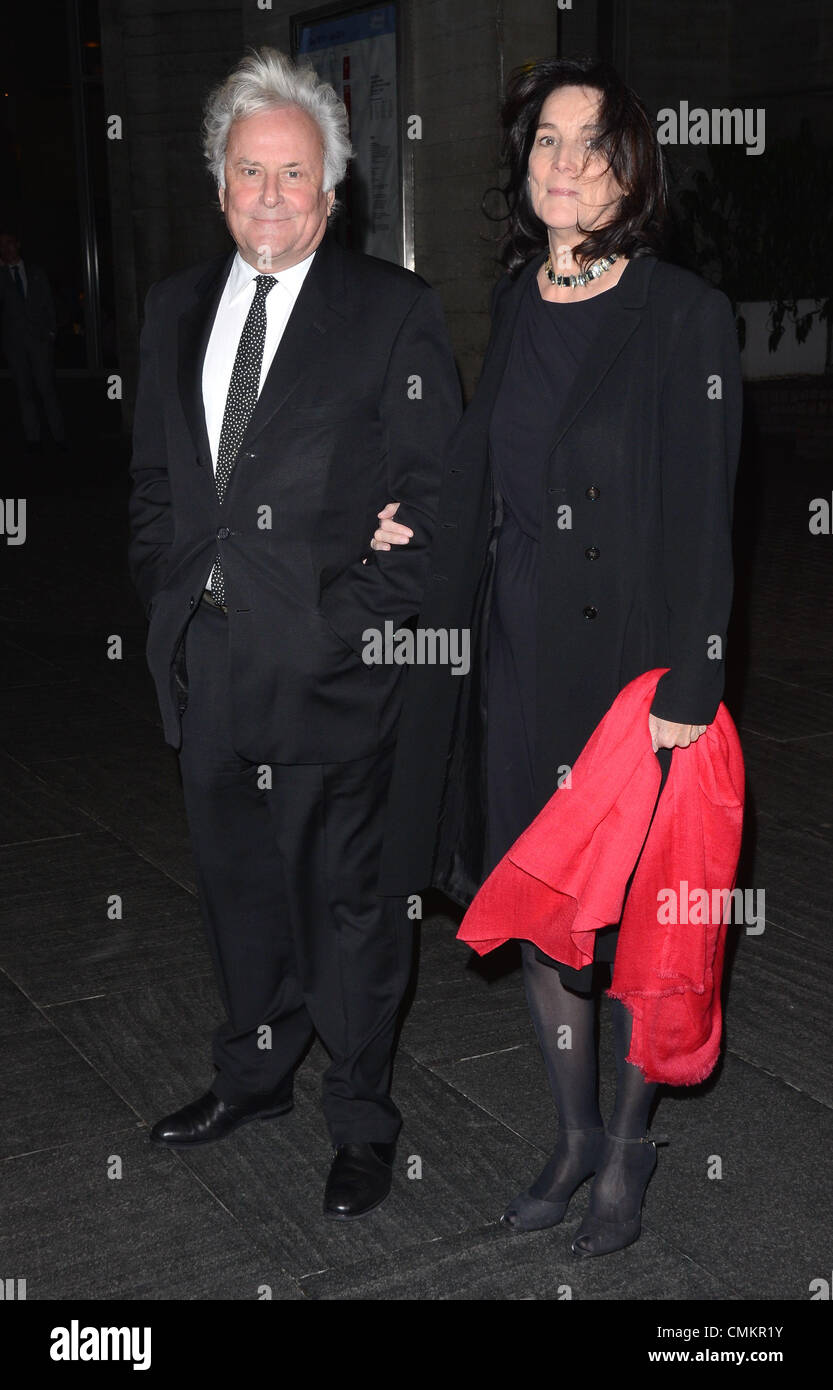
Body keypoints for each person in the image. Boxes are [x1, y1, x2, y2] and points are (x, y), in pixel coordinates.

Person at [372, 57, 742, 1255]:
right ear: (521, 164)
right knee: (545, 910)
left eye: (592, 143)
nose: (565, 163)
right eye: (545, 141)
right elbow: (490, 474)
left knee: (635, 917)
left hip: (634, 671)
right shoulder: (519, 296)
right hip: (523, 647)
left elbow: (706, 507)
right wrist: (410, 524)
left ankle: (629, 1149)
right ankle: (574, 1130)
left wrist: (695, 676)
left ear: (630, 169)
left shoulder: (681, 310)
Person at [127, 48, 460, 1219]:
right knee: (237, 892)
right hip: (209, 665)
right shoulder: (172, 309)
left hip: (326, 672)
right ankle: (255, 1076)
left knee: (349, 909)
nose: (269, 196)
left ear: (334, 190)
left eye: (294, 175)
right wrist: (166, 610)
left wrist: (345, 626)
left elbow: (433, 501)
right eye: (247, 171)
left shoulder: (390, 313)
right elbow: (160, 491)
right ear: (219, 183)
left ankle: (363, 1121)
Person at [0, 229, 67, 451]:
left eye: (9, 243)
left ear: (17, 245)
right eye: (2, 245)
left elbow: (48, 302)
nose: (5, 249)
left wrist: (50, 333)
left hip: (39, 340)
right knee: (24, 391)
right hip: (15, 343)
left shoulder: (35, 271)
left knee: (46, 388)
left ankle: (59, 436)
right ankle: (33, 439)